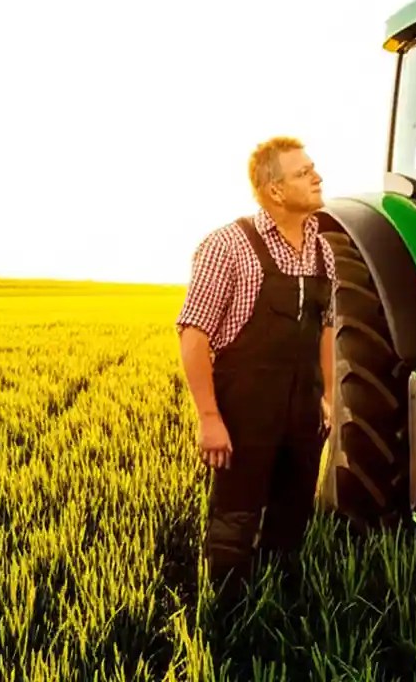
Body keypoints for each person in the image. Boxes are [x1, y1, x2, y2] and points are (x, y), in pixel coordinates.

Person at [175, 135, 335, 598]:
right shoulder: (228, 245)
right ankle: (227, 619)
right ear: (275, 190)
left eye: (313, 167)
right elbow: (193, 333)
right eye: (303, 172)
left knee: (293, 512)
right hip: (245, 409)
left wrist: (329, 398)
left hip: (302, 410)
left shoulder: (323, 250)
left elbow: (325, 327)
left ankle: (277, 607)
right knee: (236, 516)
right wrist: (209, 417)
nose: (317, 176)